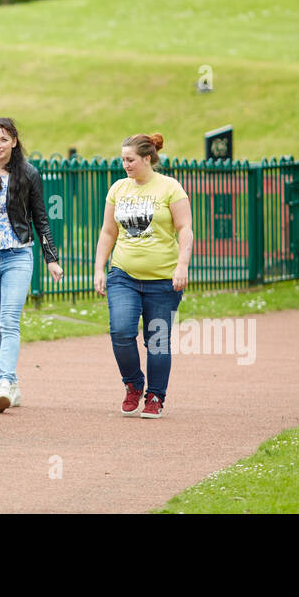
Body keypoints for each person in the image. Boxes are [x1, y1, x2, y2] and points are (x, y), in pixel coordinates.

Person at [0, 117, 64, 413]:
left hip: (18, 256)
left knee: (8, 320)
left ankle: (3, 382)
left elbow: (41, 219)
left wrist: (52, 259)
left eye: (4, 139)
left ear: (14, 142)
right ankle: (12, 385)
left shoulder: (28, 174)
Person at [92, 133, 193, 419]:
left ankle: (155, 396)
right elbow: (108, 232)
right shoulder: (118, 189)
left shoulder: (170, 188)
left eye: (130, 159)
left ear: (147, 159)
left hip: (163, 279)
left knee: (157, 341)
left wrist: (182, 266)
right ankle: (134, 384)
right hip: (123, 274)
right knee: (121, 331)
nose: (125, 164)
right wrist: (100, 268)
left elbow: (185, 228)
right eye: (123, 159)